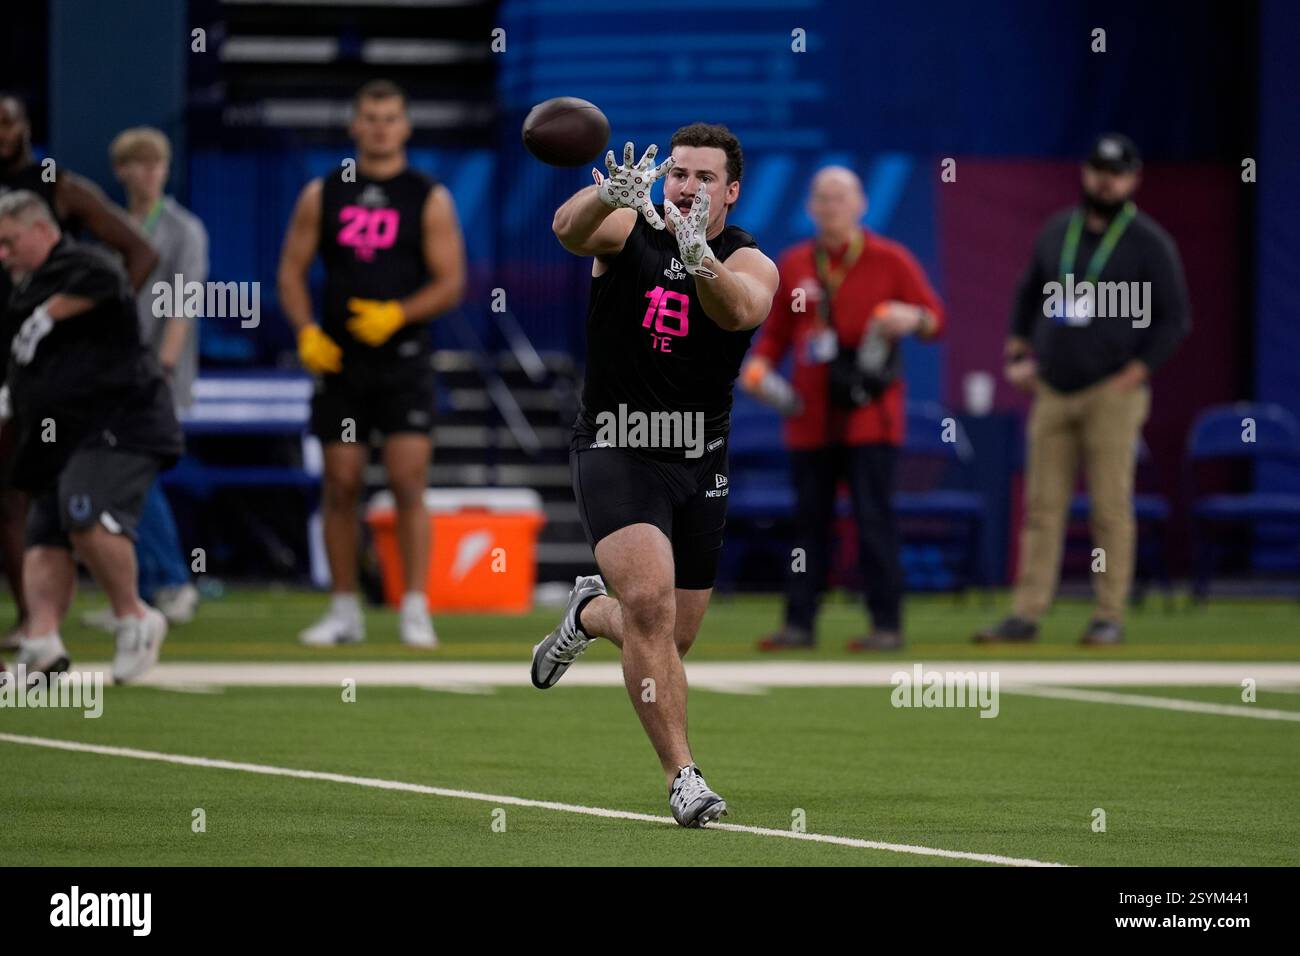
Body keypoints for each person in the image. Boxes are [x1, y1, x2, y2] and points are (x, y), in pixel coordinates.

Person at [533, 124, 779, 827]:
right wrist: (599, 195)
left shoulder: (751, 260)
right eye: (679, 173)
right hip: (618, 444)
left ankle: (585, 613)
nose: (688, 186)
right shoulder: (629, 225)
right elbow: (567, 230)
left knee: (672, 636)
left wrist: (698, 254)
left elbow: (736, 309)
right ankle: (684, 777)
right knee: (648, 602)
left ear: (731, 191)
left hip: (699, 460)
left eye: (705, 177)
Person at [975, 133, 1190, 646]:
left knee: (1110, 507)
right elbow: (1028, 293)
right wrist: (1015, 352)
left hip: (1112, 391)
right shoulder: (1058, 231)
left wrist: (1137, 372)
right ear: (1086, 173)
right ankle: (1027, 612)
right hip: (1053, 388)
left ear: (1133, 179)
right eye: (1099, 170)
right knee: (1042, 507)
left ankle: (1108, 613)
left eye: (1116, 173)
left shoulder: (1148, 241)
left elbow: (1175, 319)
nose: (1106, 180)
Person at [278, 80, 466, 648]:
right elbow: (290, 270)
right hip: (340, 363)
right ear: (354, 125)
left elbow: (452, 282)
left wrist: (397, 313)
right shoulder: (324, 192)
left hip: (404, 361)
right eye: (370, 116)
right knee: (341, 483)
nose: (381, 126)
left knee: (409, 480)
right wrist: (306, 331)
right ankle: (343, 608)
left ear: (405, 126)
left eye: (390, 117)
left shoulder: (427, 195)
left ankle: (414, 605)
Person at [742, 166, 945, 651]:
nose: (831, 207)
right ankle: (799, 624)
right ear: (810, 207)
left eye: (840, 198)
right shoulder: (794, 264)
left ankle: (886, 625)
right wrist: (760, 371)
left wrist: (909, 317)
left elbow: (935, 319)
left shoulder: (889, 259)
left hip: (871, 419)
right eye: (823, 199)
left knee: (874, 520)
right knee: (807, 525)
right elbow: (777, 337)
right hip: (809, 419)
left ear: (861, 205)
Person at [0, 190, 181, 682]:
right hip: (58, 431)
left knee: (86, 510)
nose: (3, 253)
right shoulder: (22, 288)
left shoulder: (83, 262)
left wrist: (49, 313)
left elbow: (114, 277)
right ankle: (41, 643)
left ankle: (135, 619)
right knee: (44, 531)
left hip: (119, 422)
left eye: (10, 241)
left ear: (42, 229)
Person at [0, 92, 158, 651]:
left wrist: (89, 328)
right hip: (20, 361)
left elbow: (135, 256)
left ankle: (62, 618)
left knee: (51, 498)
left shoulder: (56, 186)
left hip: (74, 383)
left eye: (7, 123)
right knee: (30, 494)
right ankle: (39, 631)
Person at [77, 126, 208, 630]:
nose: (149, 174)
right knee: (117, 480)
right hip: (112, 370)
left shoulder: (183, 230)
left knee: (138, 476)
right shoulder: (109, 224)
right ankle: (138, 595)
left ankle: (170, 581)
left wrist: (164, 367)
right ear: (121, 171)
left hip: (154, 374)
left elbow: (185, 303)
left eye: (157, 164)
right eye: (138, 164)